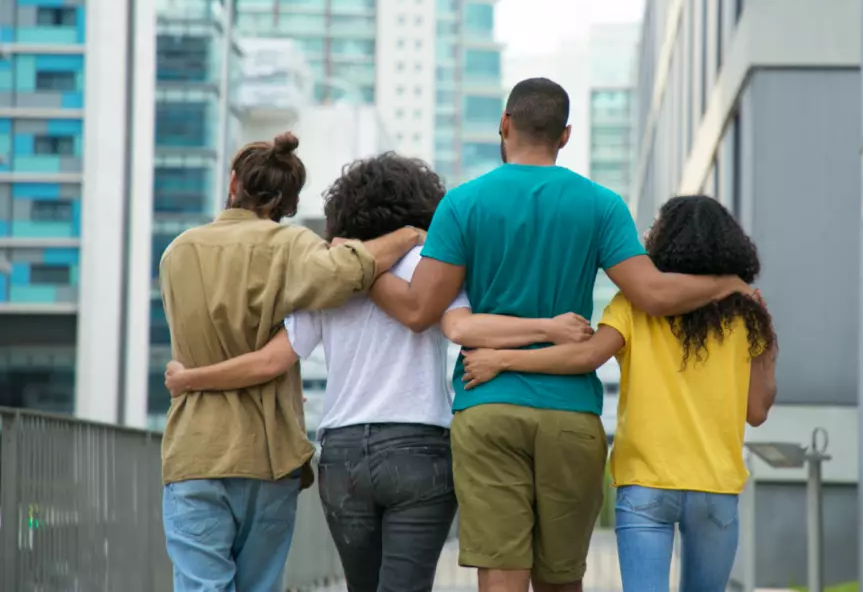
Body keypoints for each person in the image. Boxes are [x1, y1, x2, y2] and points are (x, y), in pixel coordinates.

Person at [369, 78, 752, 592]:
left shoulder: (462, 204)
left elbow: (419, 310)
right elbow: (655, 295)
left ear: (504, 124)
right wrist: (728, 282)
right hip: (571, 416)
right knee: (560, 579)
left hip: (488, 405)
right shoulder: (601, 204)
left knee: (502, 575)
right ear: (565, 135)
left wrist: (361, 272)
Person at [163, 152, 596, 592]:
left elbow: (275, 360)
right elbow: (463, 326)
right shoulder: (433, 265)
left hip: (343, 454)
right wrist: (547, 330)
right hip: (420, 447)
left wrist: (190, 378)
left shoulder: (330, 274)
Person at [460, 195, 779, 592]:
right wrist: (767, 344)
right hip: (716, 487)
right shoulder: (746, 313)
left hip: (646, 483)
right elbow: (758, 410)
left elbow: (586, 356)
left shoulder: (635, 305)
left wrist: (504, 361)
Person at [160, 134, 425, 592]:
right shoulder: (290, 247)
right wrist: (410, 234)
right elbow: (349, 269)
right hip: (267, 455)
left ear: (233, 182)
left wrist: (189, 379)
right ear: (286, 201)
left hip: (194, 450)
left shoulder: (176, 253)